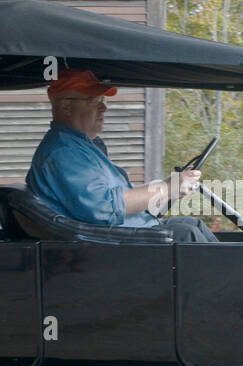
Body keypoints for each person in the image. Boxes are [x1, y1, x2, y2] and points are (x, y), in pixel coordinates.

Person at [26, 68, 219, 243]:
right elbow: (106, 208)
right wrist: (167, 188)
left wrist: (167, 187)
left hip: (122, 234)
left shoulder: (80, 146)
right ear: (67, 107)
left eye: (103, 100)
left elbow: (115, 198)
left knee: (194, 225)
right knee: (187, 234)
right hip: (109, 246)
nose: (104, 108)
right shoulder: (64, 153)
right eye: (94, 101)